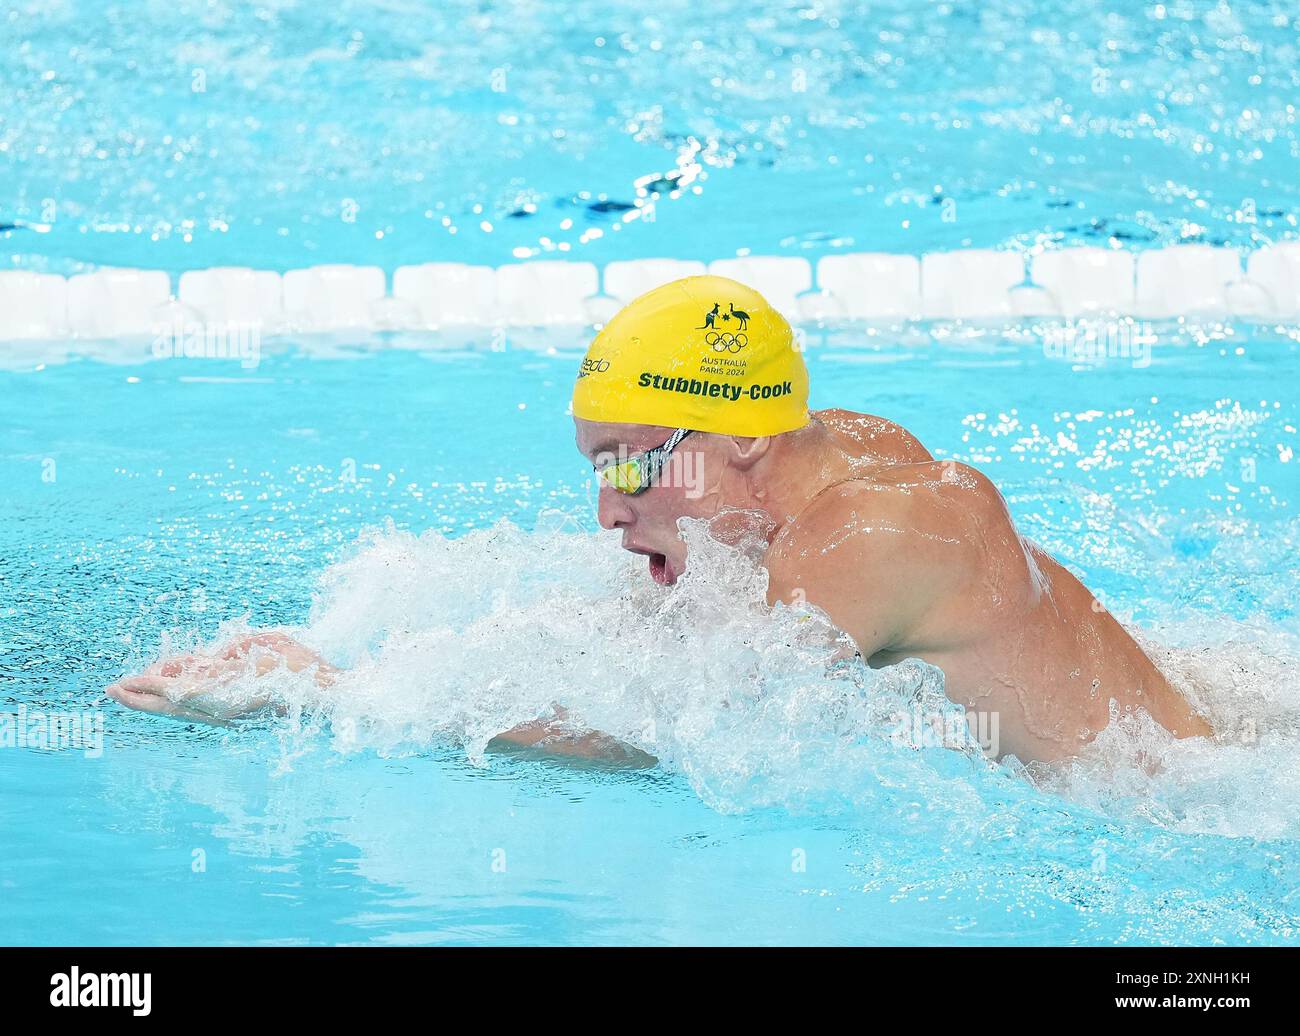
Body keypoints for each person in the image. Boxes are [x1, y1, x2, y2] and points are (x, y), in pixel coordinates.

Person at [109, 275, 1213, 764]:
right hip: (1190, 704)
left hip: (1168, 805)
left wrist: (344, 694)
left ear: (737, 438)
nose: (606, 507)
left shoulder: (862, 538)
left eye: (630, 463)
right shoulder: (833, 448)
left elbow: (679, 739)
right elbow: (662, 650)